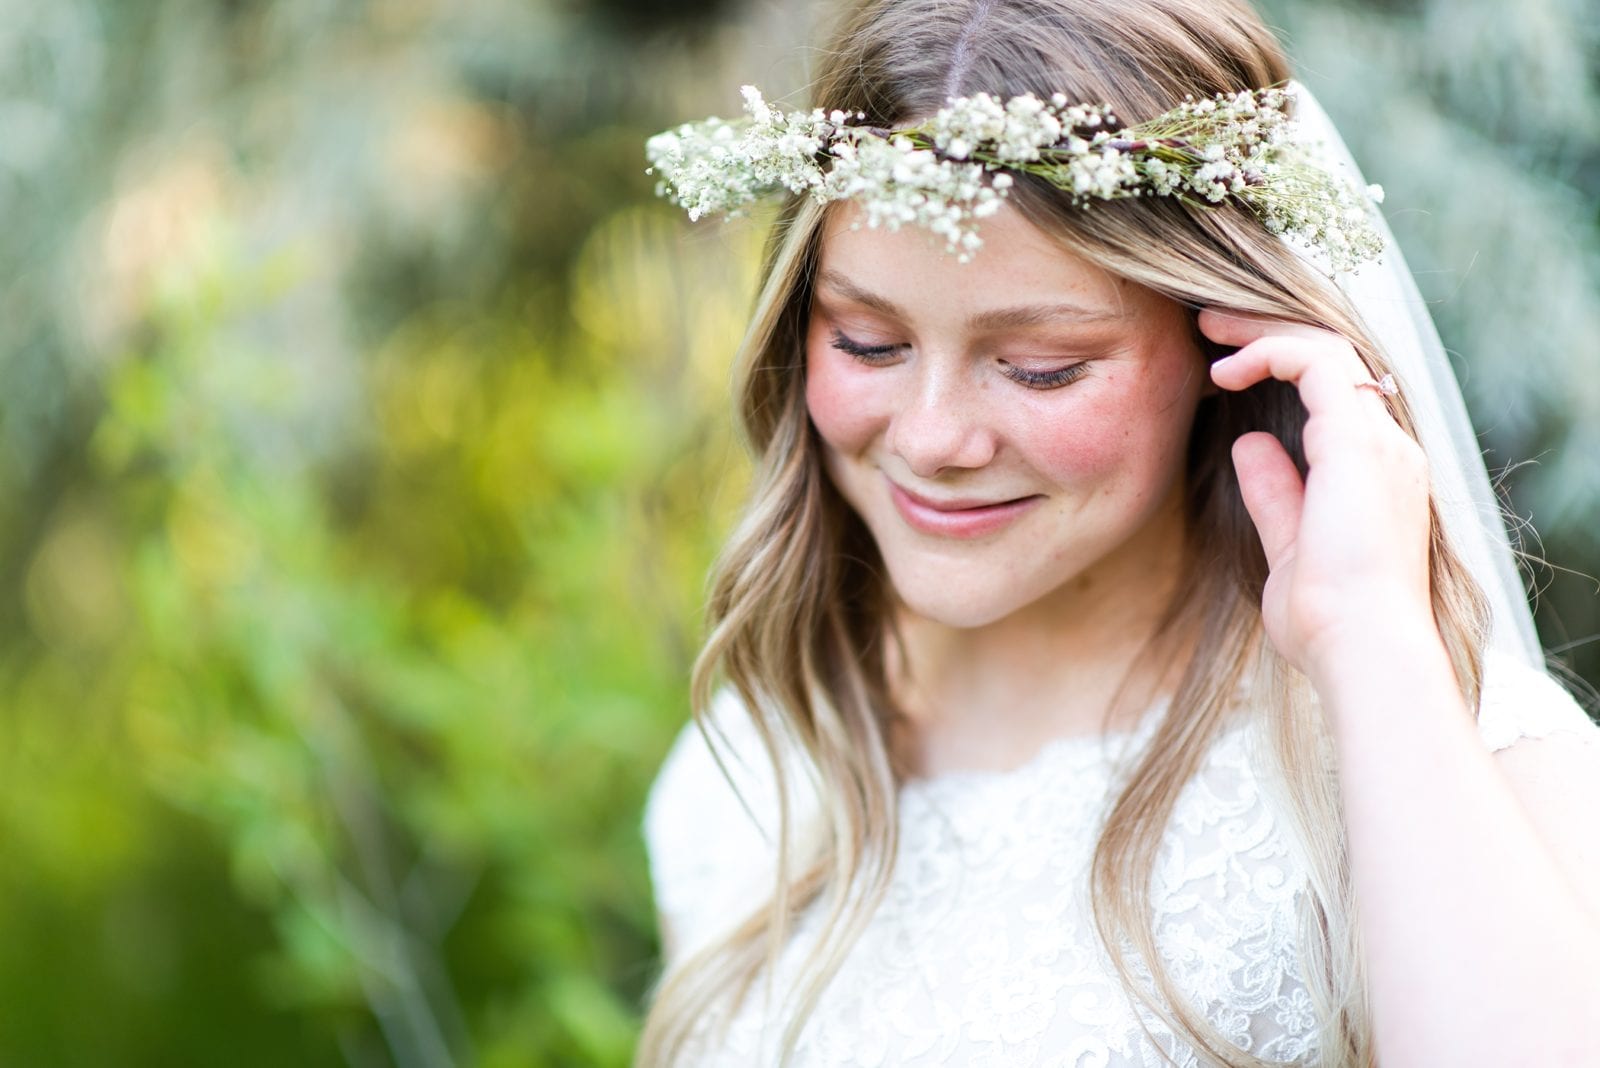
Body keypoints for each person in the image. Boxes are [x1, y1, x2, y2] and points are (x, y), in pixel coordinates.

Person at [635, 0, 1600, 1064]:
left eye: (1040, 366)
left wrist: (1369, 637)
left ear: (1222, 339)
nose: (932, 437)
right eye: (868, 343)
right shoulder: (755, 759)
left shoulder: (1447, 742)